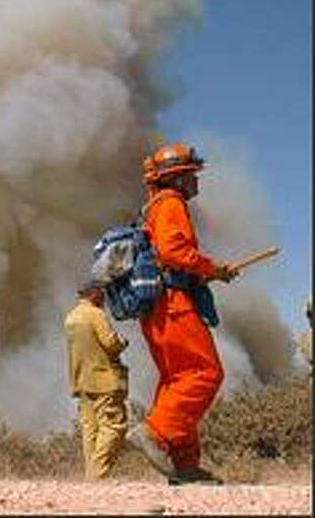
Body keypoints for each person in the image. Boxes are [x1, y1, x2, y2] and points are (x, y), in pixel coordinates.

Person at [125, 142, 238, 485]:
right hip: (174, 302)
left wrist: (205, 271)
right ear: (177, 179)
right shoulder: (171, 203)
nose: (197, 182)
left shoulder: (153, 208)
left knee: (178, 380)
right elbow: (175, 251)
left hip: (158, 306)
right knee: (205, 372)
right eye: (192, 175)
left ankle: (184, 465)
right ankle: (156, 433)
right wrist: (213, 269)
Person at [64, 279, 129, 480]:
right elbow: (110, 343)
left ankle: (91, 477)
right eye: (102, 293)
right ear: (93, 294)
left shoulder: (71, 317)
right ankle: (97, 476)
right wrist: (122, 342)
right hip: (105, 380)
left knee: (89, 430)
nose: (105, 297)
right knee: (113, 426)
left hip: (82, 381)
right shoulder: (96, 314)